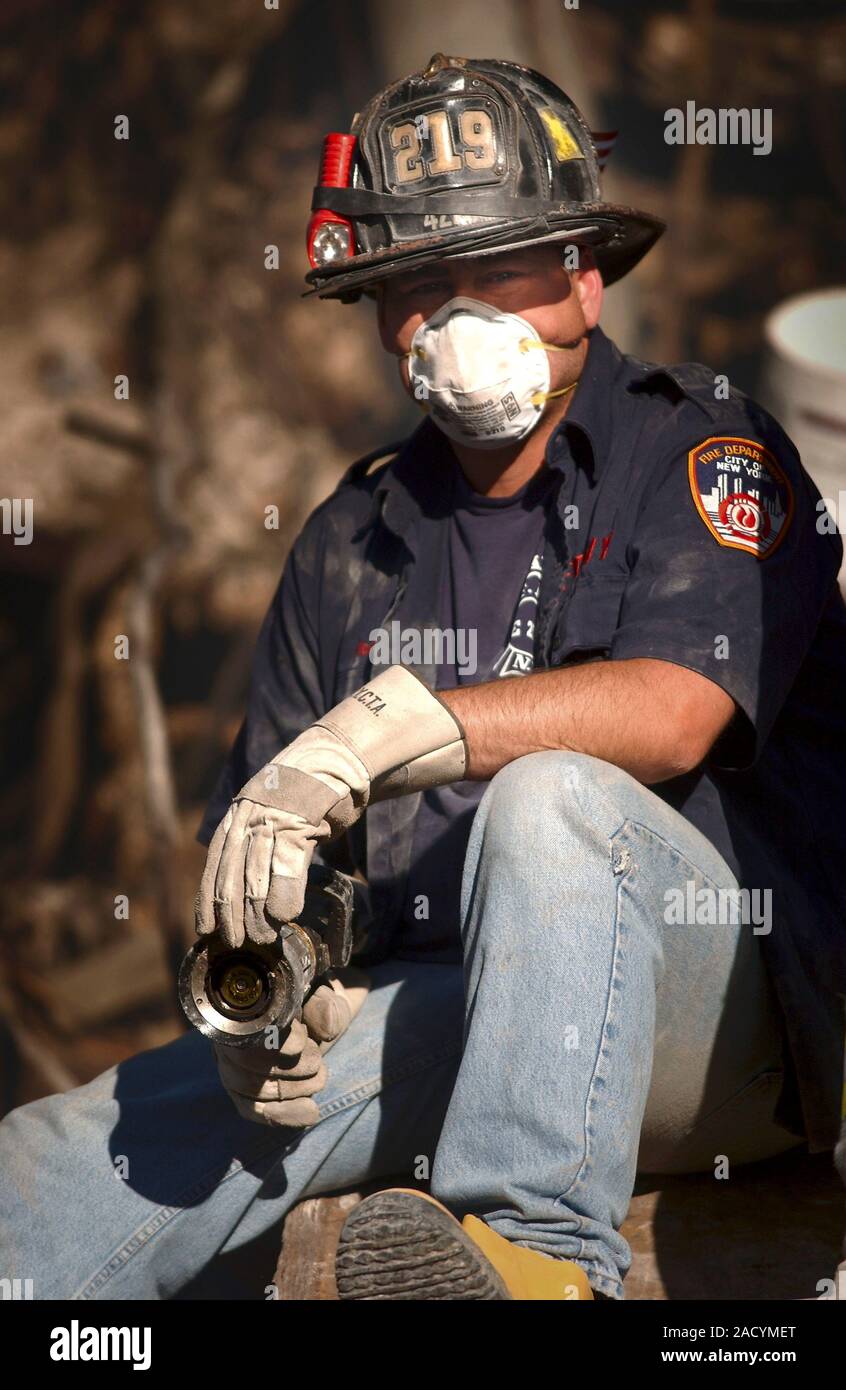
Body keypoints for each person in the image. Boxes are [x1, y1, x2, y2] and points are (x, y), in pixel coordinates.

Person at [1, 53, 844, 1303]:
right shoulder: (347, 545)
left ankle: (541, 1258)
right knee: (67, 1155)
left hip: (729, 1035)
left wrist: (393, 728)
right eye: (415, 284)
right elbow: (285, 855)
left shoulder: (703, 447)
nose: (457, 319)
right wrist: (274, 996)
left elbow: (677, 712)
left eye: (498, 269)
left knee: (551, 801)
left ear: (583, 274)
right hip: (461, 1019)